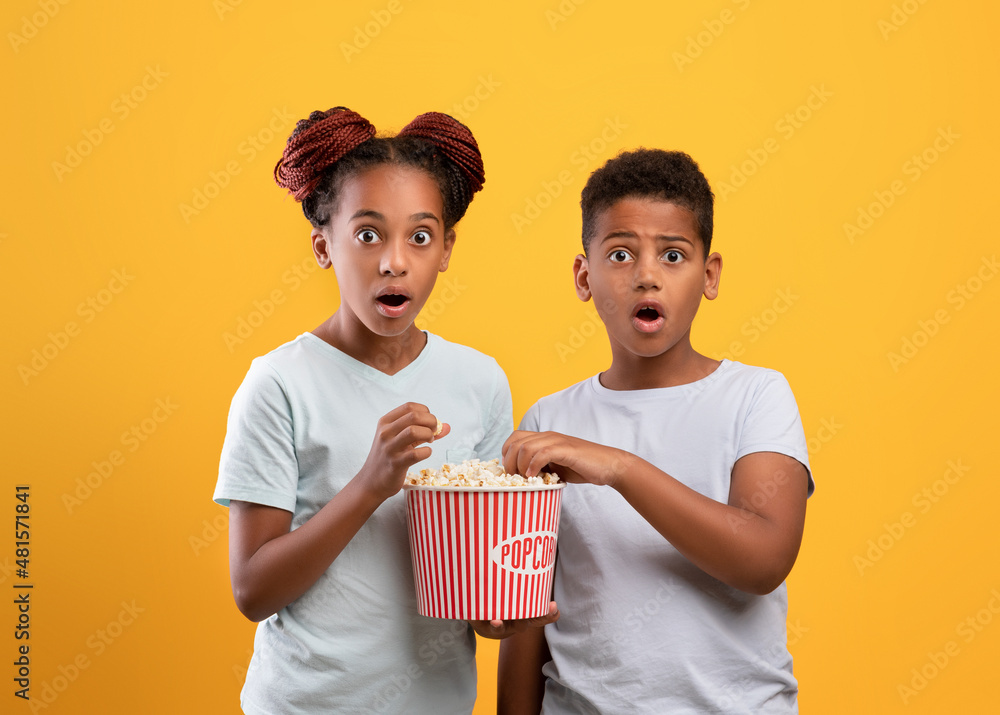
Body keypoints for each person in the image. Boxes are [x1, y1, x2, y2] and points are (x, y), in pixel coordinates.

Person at [214, 107, 523, 714]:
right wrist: (370, 485)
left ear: (447, 249)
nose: (395, 261)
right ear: (323, 245)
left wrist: (502, 613)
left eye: (421, 236)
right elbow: (253, 589)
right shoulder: (279, 384)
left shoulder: (480, 381)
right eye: (368, 234)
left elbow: (480, 584)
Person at [497, 149, 815, 714]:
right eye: (620, 254)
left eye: (673, 255)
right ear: (584, 275)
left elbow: (764, 560)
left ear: (709, 275)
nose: (646, 276)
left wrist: (621, 468)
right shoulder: (549, 422)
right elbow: (529, 615)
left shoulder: (757, 396)